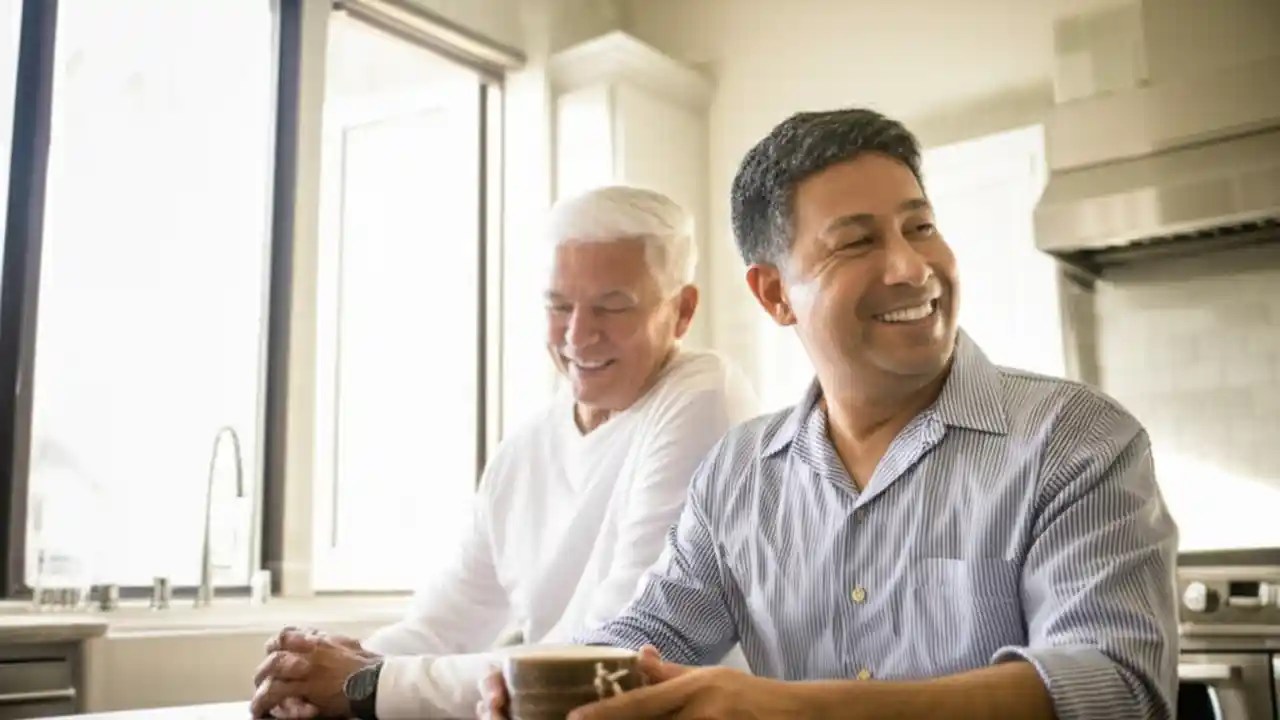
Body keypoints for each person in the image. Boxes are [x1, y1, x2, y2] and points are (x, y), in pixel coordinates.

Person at [480, 108, 1180, 720]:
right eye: (857, 241)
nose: (910, 267)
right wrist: (540, 685)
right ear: (775, 293)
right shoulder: (738, 472)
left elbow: (1116, 689)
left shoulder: (1076, 439)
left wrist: (793, 709)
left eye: (920, 226)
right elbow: (647, 634)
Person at [249, 186, 758, 719]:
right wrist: (316, 676)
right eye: (559, 306)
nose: (578, 336)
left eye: (612, 307)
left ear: (681, 311)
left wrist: (366, 683)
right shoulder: (526, 445)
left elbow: (619, 658)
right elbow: (444, 623)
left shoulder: (703, 397)